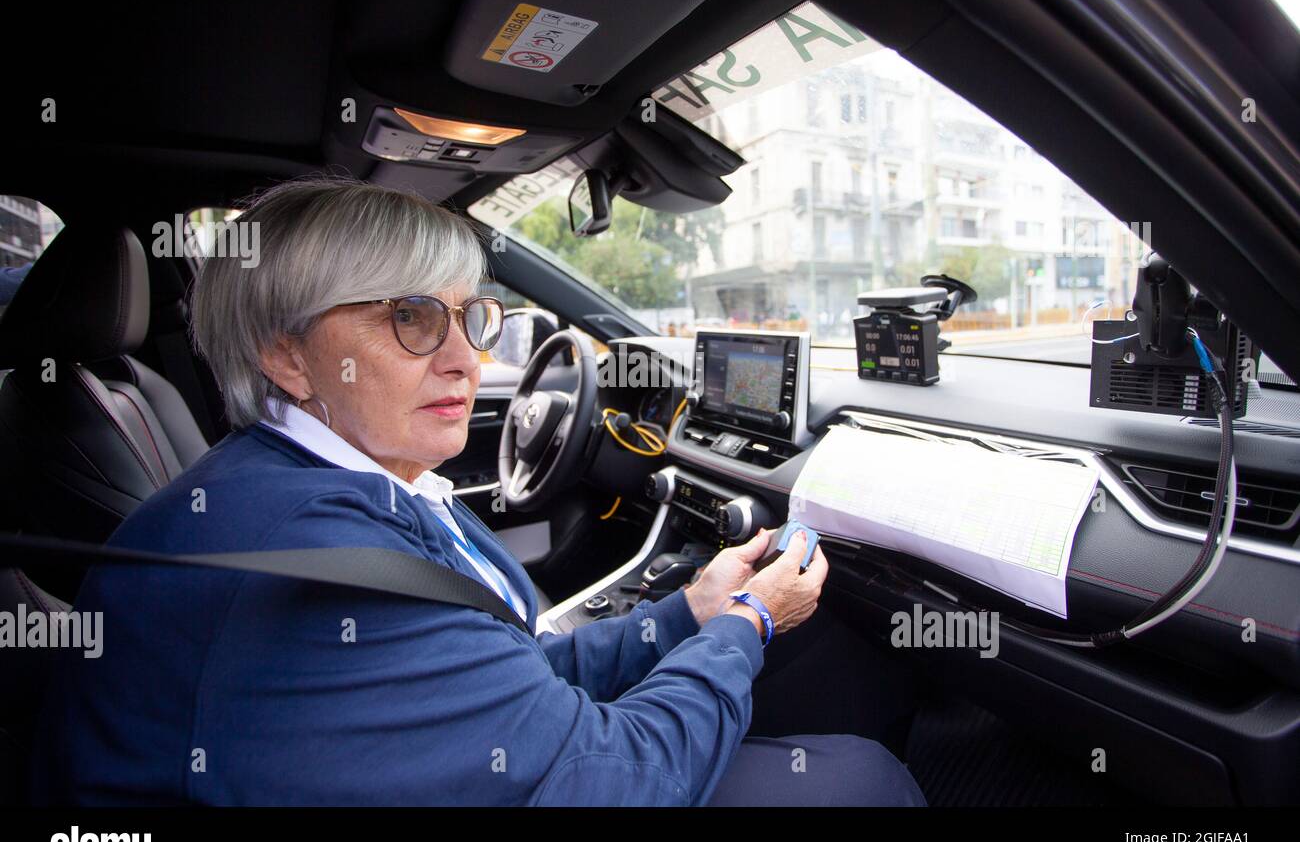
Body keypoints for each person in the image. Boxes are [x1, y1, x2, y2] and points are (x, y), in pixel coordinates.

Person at [30, 179, 924, 806]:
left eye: (470, 317)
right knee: (861, 780)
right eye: (411, 317)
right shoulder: (328, 556)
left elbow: (514, 676)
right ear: (287, 356)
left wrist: (690, 611)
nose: (468, 359)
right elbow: (611, 781)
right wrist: (748, 626)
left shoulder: (308, 486)